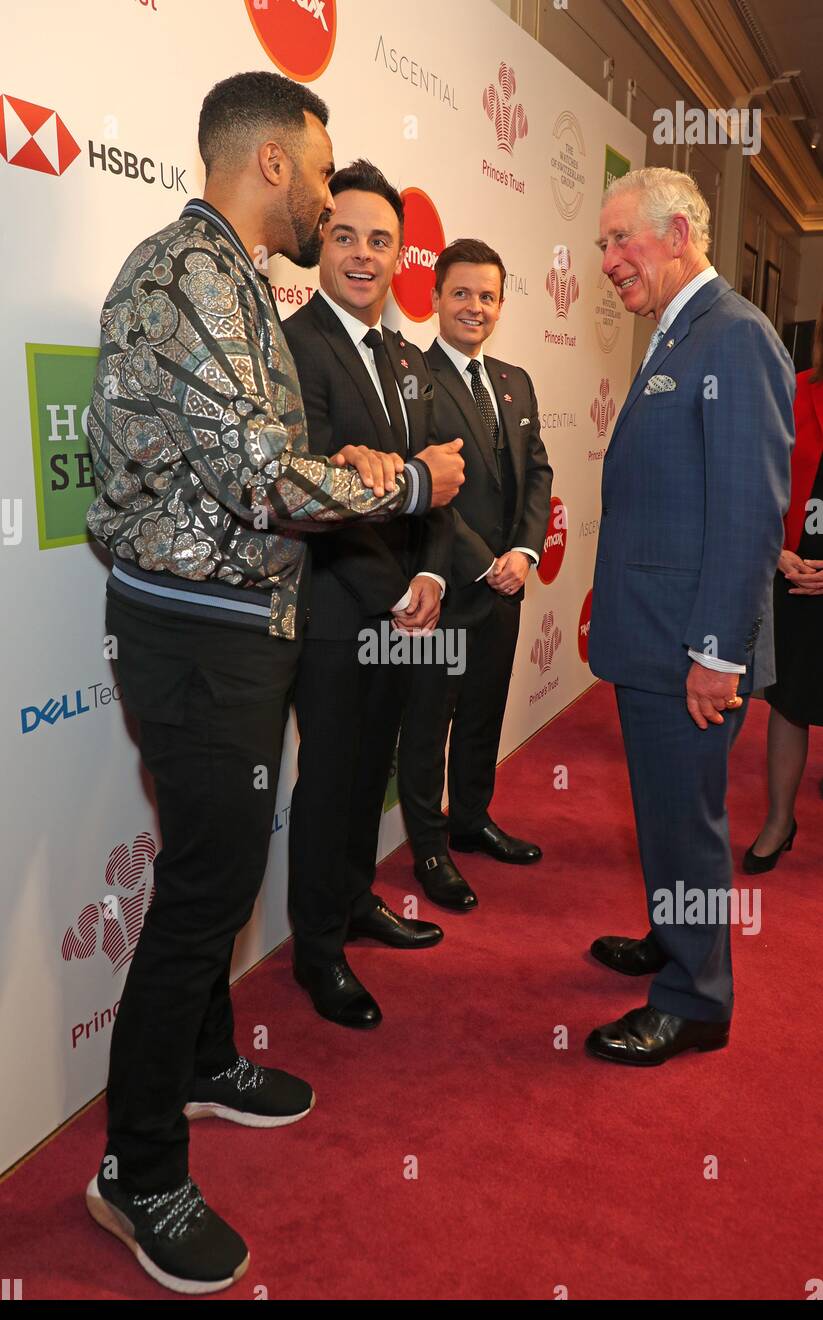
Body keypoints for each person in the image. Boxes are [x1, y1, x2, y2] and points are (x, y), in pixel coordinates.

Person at [83, 71, 463, 1294]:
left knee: (220, 872)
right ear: (274, 165)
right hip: (199, 636)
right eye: (322, 162)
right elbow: (255, 483)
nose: (330, 189)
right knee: (206, 889)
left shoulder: (232, 279)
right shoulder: (192, 276)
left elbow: (252, 459)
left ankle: (203, 1065)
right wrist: (403, 482)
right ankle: (136, 1172)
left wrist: (330, 463)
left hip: (233, 624)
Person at [586, 168, 794, 1066]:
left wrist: (716, 651)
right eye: (600, 246)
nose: (605, 263)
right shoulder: (680, 333)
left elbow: (750, 511)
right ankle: (677, 941)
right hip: (656, 638)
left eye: (618, 240)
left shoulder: (733, 336)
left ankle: (695, 999)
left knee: (688, 819)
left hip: (689, 647)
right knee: (668, 816)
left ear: (677, 235)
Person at [284, 160, 458, 1029]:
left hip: (401, 605)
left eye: (379, 241)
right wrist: (394, 593)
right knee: (327, 782)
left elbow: (435, 483)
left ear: (401, 257)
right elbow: (309, 492)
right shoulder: (296, 345)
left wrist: (427, 576)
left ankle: (354, 900)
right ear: (321, 241)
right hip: (335, 612)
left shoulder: (401, 354)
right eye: (345, 235)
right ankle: (315, 950)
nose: (361, 255)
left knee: (366, 774)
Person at [398, 239, 553, 912]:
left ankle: (470, 819)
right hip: (444, 584)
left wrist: (523, 553)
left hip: (506, 586)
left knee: (484, 713)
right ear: (434, 298)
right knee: (428, 723)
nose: (474, 307)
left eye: (486, 296)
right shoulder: (411, 379)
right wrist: (482, 562)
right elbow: (424, 487)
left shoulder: (516, 381)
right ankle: (427, 847)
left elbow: (537, 474)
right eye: (460, 293)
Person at [745, 305, 823, 872]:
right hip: (796, 568)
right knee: (792, 701)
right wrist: (775, 550)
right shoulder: (792, 391)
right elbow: (753, 475)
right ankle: (780, 820)